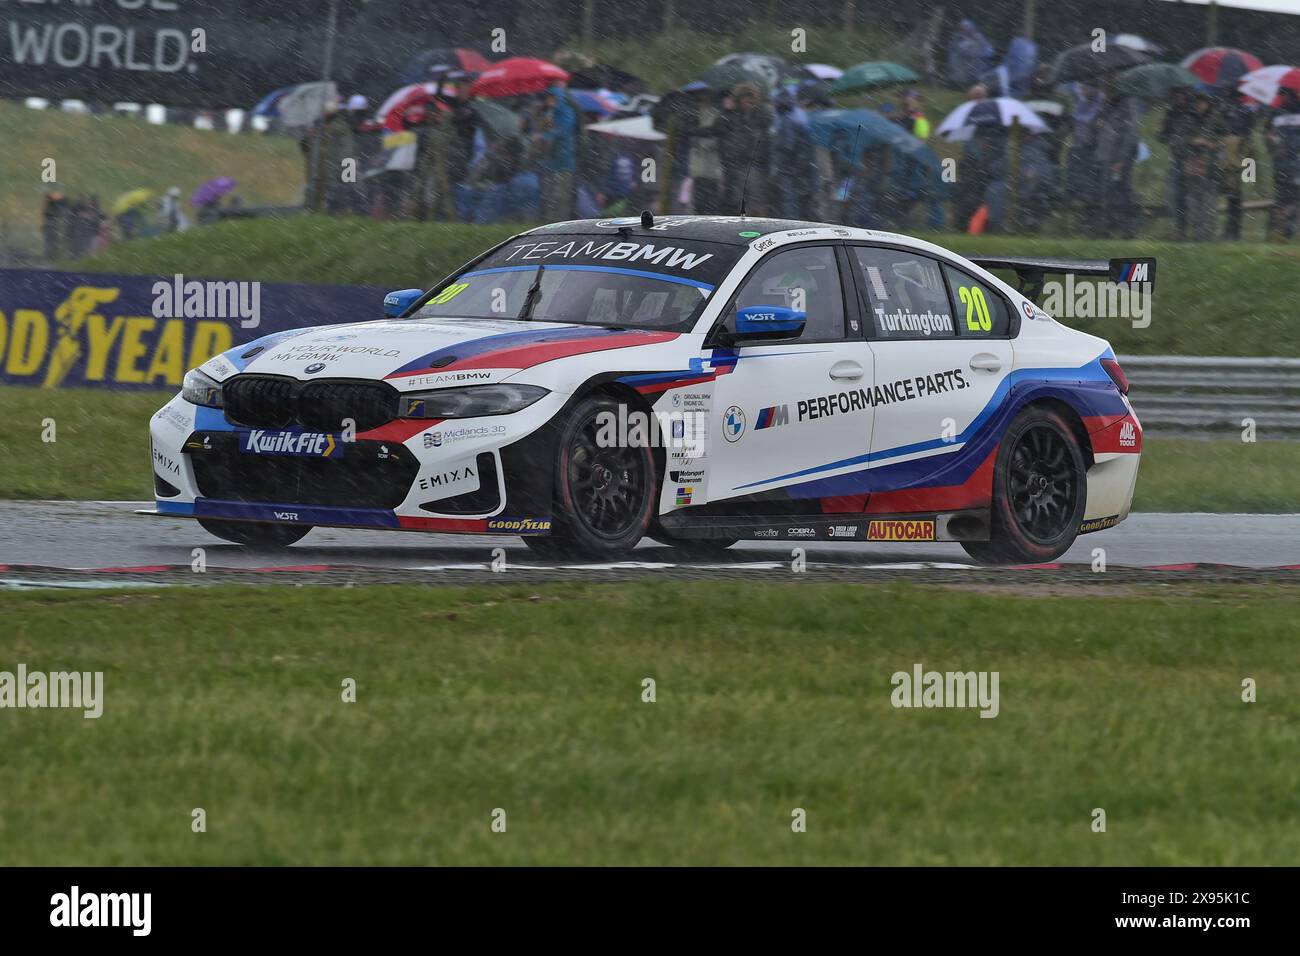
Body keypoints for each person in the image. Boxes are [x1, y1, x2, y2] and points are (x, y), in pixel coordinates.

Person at [1094, 79, 1142, 238]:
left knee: (1122, 192)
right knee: (1109, 191)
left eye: (1106, 91)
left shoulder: (1128, 103)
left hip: (1120, 157)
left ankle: (1127, 228)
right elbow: (1102, 126)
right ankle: (1109, 227)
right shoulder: (1108, 106)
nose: (1104, 95)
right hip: (1108, 155)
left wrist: (1121, 159)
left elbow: (1130, 133)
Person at [717, 83, 771, 215]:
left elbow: (765, 140)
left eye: (751, 99)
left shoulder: (760, 117)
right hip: (734, 163)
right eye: (745, 98)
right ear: (739, 99)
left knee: (756, 198)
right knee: (736, 198)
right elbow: (720, 134)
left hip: (754, 163)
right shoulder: (730, 117)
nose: (748, 102)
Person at [769, 88, 819, 219]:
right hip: (801, 169)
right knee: (803, 203)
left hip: (792, 170)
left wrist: (787, 168)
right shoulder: (798, 117)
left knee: (791, 204)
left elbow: (787, 147)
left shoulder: (787, 121)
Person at [1157, 87, 1198, 239]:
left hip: (1193, 160)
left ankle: (1193, 230)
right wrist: (1161, 129)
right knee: (1177, 197)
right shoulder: (1172, 113)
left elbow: (1193, 136)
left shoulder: (1193, 114)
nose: (1178, 97)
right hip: (1177, 159)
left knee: (1191, 197)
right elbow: (1163, 138)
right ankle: (1180, 230)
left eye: (1180, 94)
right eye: (1175, 94)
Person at [534, 82, 577, 221]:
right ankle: (549, 224)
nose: (548, 101)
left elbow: (563, 131)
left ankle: (561, 226)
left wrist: (545, 136)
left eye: (551, 98)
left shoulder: (567, 112)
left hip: (563, 163)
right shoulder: (549, 113)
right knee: (549, 197)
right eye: (547, 98)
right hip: (550, 162)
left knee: (561, 198)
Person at [1183, 90, 1223, 241]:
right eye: (1197, 102)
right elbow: (1180, 140)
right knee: (1193, 202)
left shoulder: (1216, 119)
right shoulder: (1189, 119)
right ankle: (1197, 234)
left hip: (1211, 167)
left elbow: (1225, 141)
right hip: (1192, 166)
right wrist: (1192, 142)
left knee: (1209, 203)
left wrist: (1209, 143)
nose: (1199, 105)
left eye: (1202, 102)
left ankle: (1207, 235)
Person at [1267, 88, 1300, 241]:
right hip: (1280, 163)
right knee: (1281, 197)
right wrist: (1272, 141)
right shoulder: (1276, 113)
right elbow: (1269, 136)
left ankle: (1288, 228)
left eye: (1284, 95)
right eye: (1280, 95)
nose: (1281, 98)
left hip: (1296, 163)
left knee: (1294, 197)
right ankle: (1281, 230)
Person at [946, 18, 996, 89]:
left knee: (979, 66)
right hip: (961, 64)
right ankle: (958, 84)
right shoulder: (957, 37)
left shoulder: (979, 38)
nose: (965, 30)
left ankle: (971, 84)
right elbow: (955, 50)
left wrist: (978, 53)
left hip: (976, 65)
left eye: (967, 28)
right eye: (962, 28)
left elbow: (989, 52)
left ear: (972, 28)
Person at [41, 191, 68, 260]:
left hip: (51, 227)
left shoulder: (50, 207)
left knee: (51, 242)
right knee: (51, 243)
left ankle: (51, 256)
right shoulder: (51, 208)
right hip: (51, 227)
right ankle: (50, 256)